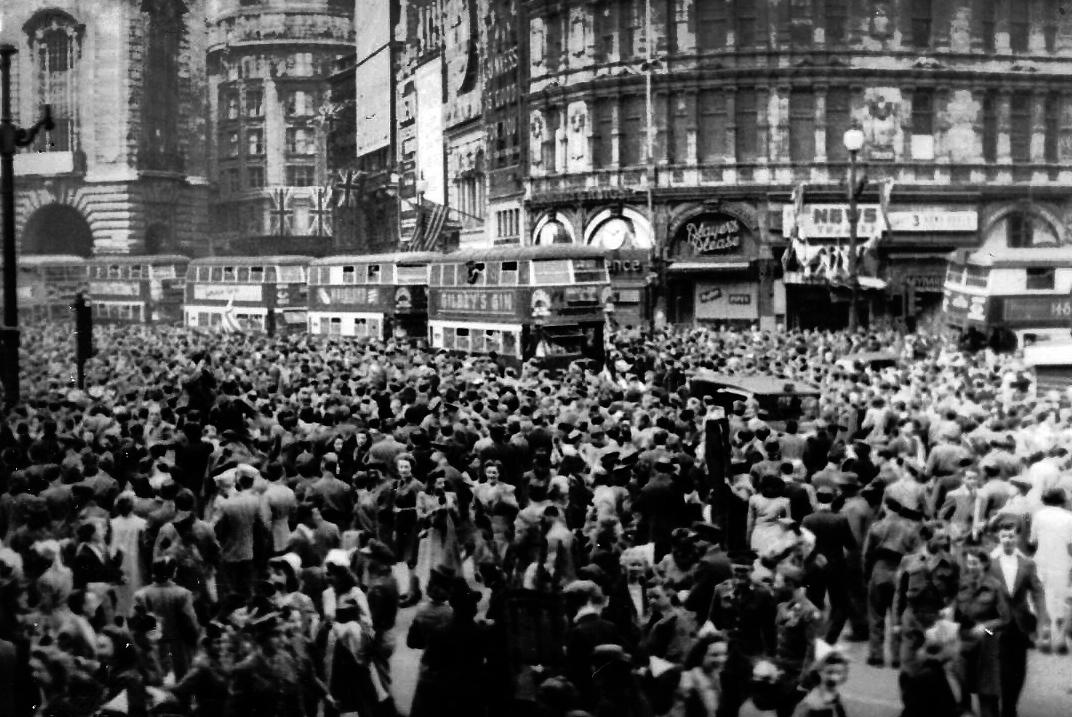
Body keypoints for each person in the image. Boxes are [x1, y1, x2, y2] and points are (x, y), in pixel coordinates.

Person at [990, 518, 1048, 717]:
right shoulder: (989, 562)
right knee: (995, 667)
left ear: (1018, 537)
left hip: (1020, 625)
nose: (1007, 540)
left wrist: (1041, 621)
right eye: (1004, 536)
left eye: (1011, 536)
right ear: (998, 536)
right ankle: (995, 706)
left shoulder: (1027, 564)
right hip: (993, 625)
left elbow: (1038, 592)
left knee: (1018, 669)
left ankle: (1010, 705)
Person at [954, 548, 1008, 717]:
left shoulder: (995, 586)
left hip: (988, 637)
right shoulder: (962, 584)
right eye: (969, 563)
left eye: (975, 563)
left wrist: (985, 627)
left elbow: (1006, 619)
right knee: (961, 685)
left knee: (986, 690)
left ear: (984, 564)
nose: (971, 567)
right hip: (964, 639)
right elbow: (955, 612)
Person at [1027, 487, 1072, 653]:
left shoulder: (1039, 515)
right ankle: (1060, 638)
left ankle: (1044, 634)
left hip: (1041, 560)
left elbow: (1032, 539)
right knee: (1060, 601)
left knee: (1041, 598)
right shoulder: (1069, 518)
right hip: (1062, 562)